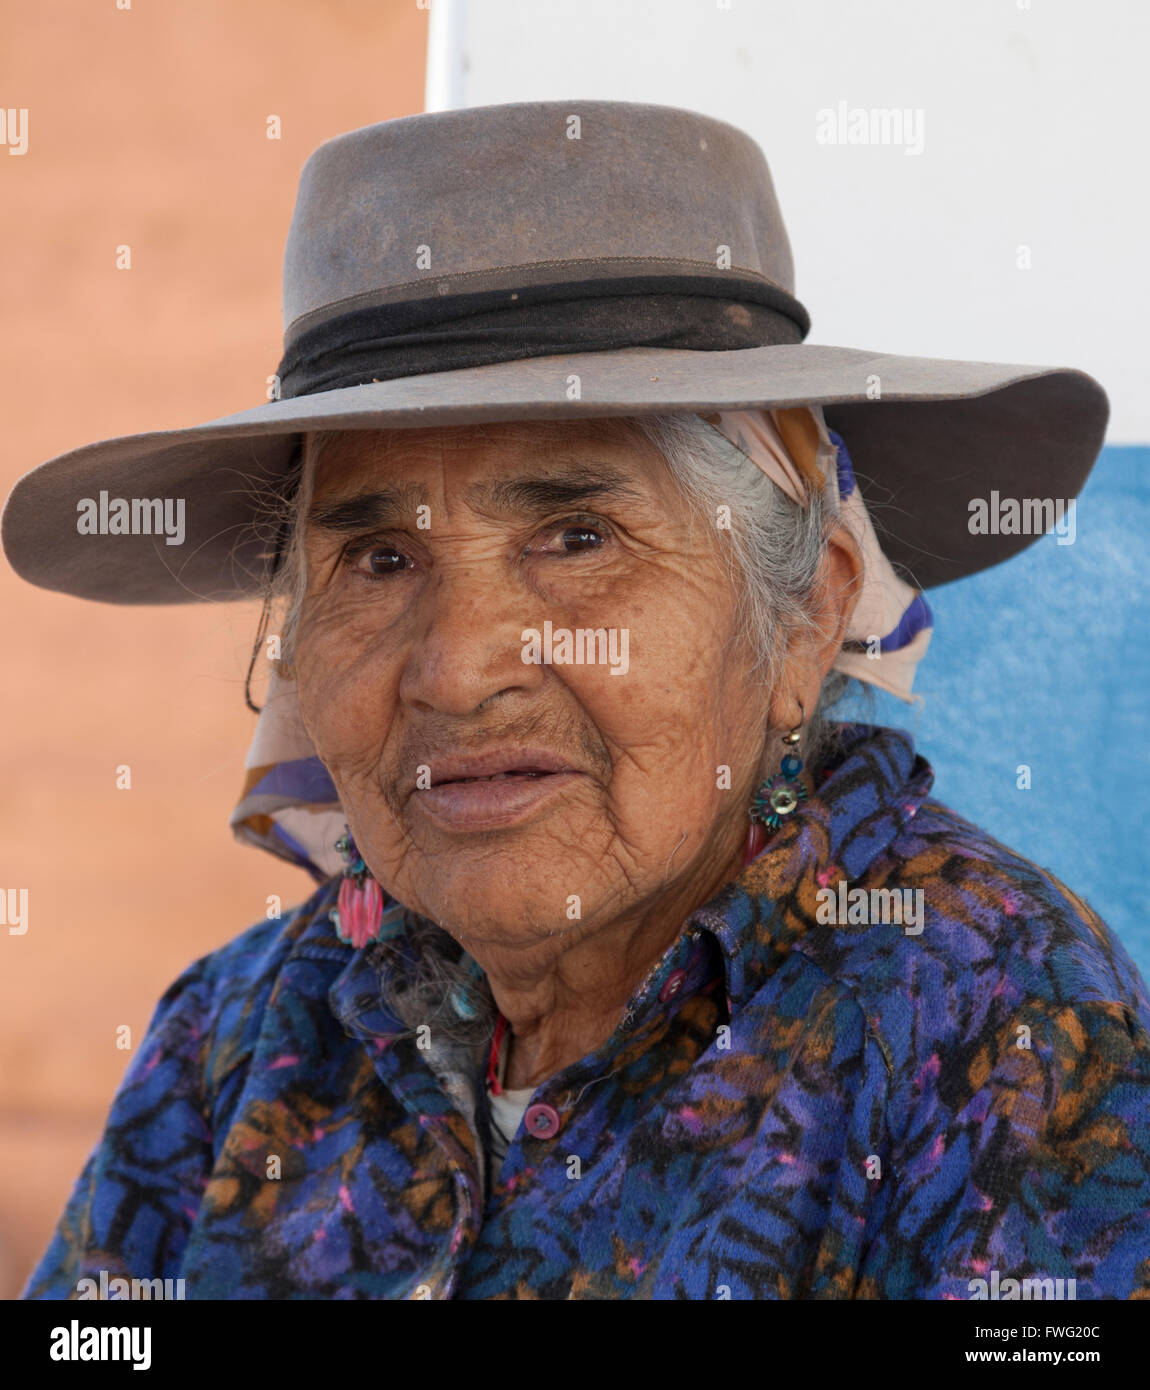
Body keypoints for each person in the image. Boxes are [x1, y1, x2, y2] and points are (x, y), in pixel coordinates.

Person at [6, 100, 1147, 1300]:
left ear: (803, 613)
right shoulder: (240, 1035)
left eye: (575, 535)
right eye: (379, 560)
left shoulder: (997, 1024)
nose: (457, 670)